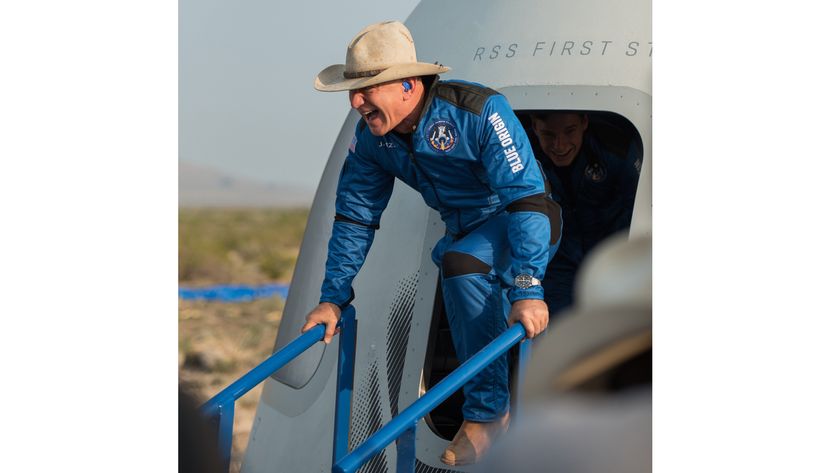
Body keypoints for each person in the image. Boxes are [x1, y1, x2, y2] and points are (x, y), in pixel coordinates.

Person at [300, 21, 561, 465]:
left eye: (366, 87)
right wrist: (332, 299)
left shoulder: (478, 111)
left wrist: (529, 286)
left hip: (523, 219)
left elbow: (526, 198)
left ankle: (487, 415)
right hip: (464, 232)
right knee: (458, 263)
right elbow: (354, 217)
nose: (355, 101)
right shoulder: (372, 141)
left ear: (407, 84)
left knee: (462, 263)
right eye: (352, 89)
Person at [529, 112, 640, 316]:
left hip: (612, 256)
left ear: (584, 123)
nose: (560, 145)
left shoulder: (617, 150)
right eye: (548, 135)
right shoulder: (523, 157)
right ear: (535, 127)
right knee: (560, 329)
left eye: (569, 131)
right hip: (557, 262)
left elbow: (639, 207)